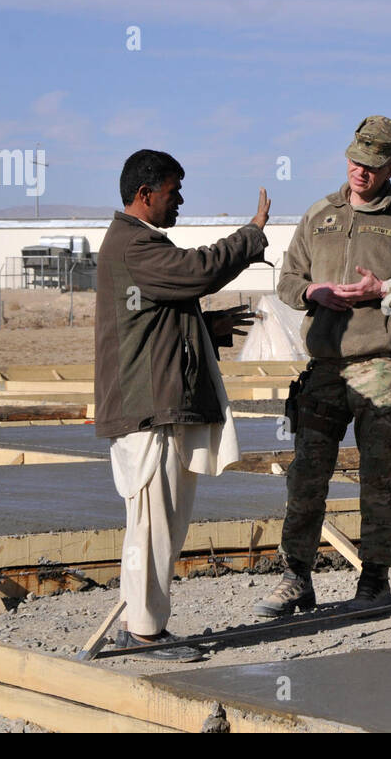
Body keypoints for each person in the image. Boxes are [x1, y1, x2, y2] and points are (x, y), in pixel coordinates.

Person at [255, 116, 391, 616]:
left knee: (377, 475)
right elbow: (286, 282)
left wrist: (384, 290)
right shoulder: (319, 214)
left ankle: (374, 581)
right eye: (354, 161)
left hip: (383, 365)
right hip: (324, 367)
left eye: (372, 165)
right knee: (306, 473)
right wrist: (311, 292)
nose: (360, 172)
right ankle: (296, 577)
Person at [95, 148, 270, 660]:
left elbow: (157, 318)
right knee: (152, 522)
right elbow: (197, 271)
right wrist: (251, 235)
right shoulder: (135, 246)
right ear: (145, 195)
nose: (181, 201)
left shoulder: (137, 245)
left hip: (156, 405)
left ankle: (143, 625)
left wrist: (204, 327)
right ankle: (144, 632)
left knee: (160, 522)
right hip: (148, 410)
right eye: (174, 192)